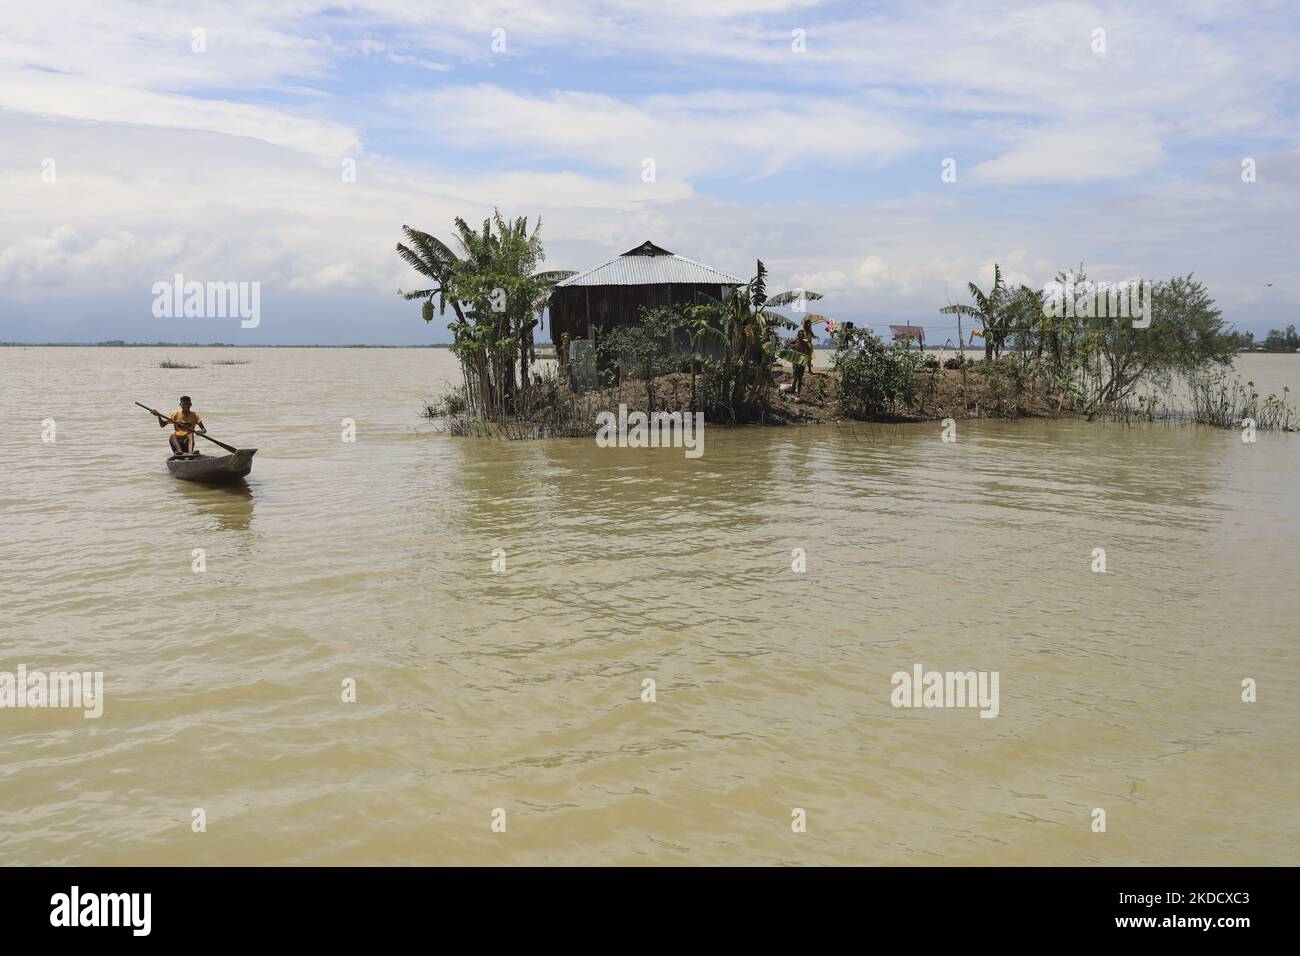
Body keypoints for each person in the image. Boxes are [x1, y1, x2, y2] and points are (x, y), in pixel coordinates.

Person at [791, 330, 813, 395]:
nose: (801, 336)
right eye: (800, 334)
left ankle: (798, 393)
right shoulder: (795, 342)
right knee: (795, 378)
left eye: (802, 335)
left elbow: (809, 351)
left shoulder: (805, 343)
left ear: (803, 336)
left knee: (800, 379)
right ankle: (792, 392)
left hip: (802, 362)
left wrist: (806, 356)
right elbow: (788, 345)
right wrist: (792, 347)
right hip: (795, 362)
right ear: (798, 335)